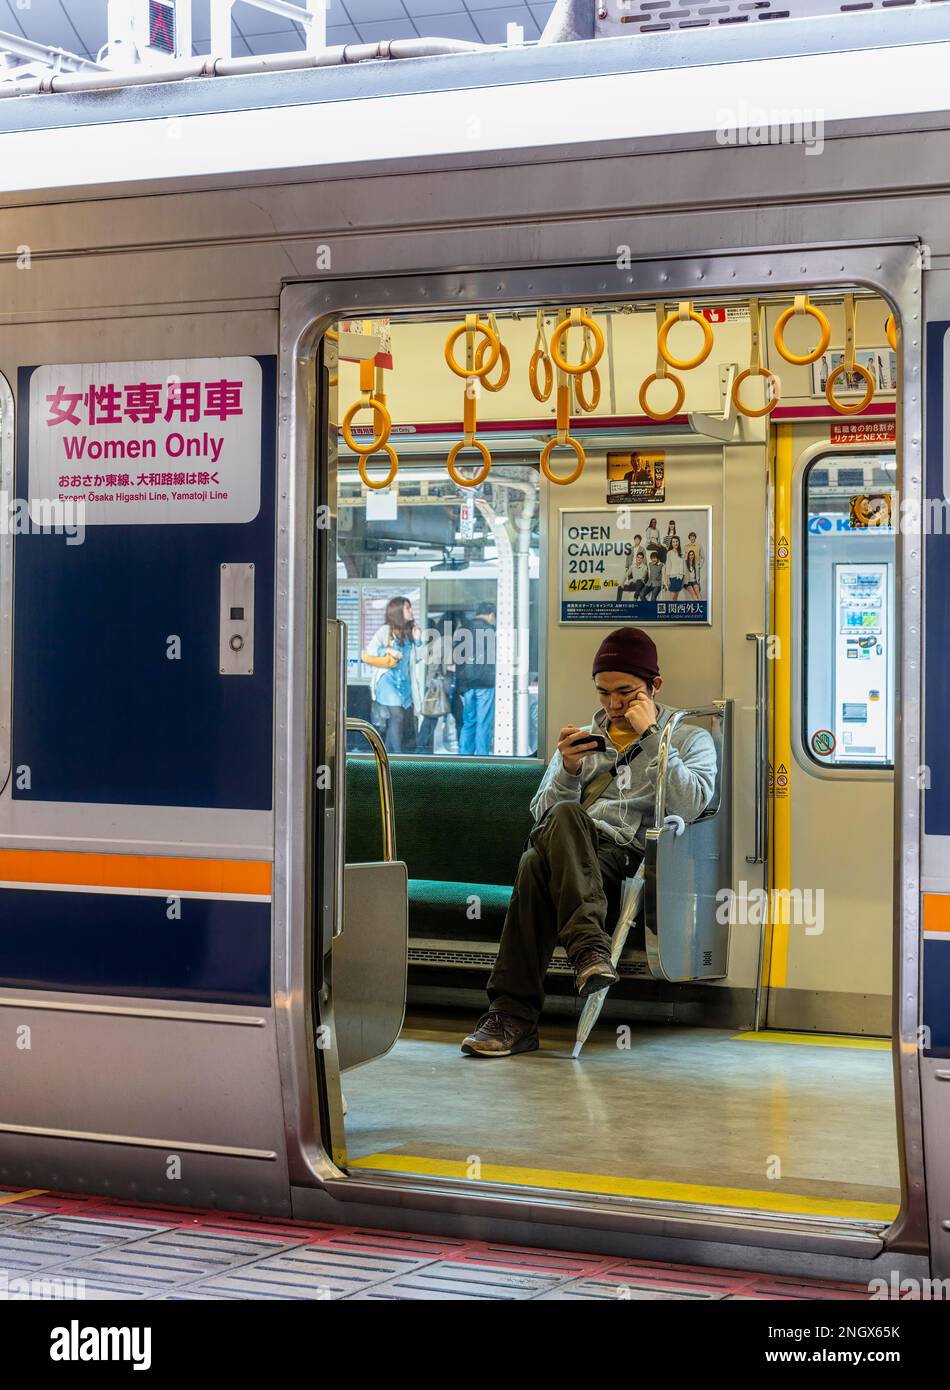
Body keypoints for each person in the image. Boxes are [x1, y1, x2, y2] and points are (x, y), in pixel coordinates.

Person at [461, 627, 717, 1056]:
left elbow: (689, 806)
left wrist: (654, 737)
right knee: (557, 823)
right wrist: (566, 769)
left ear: (654, 686)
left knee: (532, 867)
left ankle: (512, 1018)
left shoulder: (690, 737)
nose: (614, 705)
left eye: (626, 692)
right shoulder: (583, 737)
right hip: (572, 853)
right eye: (603, 693)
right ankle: (590, 952)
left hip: (626, 860)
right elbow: (541, 817)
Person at [361, 596, 423, 753]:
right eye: (407, 608)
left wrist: (418, 640)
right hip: (387, 681)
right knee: (397, 717)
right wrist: (389, 650)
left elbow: (420, 658)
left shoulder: (410, 632)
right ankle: (398, 758)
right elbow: (370, 651)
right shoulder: (385, 631)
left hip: (404, 684)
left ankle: (385, 754)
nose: (411, 611)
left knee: (395, 721)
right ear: (398, 611)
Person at [456, 601, 497, 756]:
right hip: (485, 684)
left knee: (469, 723)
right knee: (483, 724)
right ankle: (482, 759)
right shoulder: (490, 631)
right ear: (491, 615)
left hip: (467, 685)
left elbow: (458, 659)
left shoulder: (463, 629)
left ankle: (464, 758)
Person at [663, 534, 686, 601]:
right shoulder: (669, 553)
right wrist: (668, 579)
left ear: (679, 542)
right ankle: (670, 611)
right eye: (673, 542)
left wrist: (683, 579)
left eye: (677, 541)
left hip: (680, 578)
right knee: (672, 598)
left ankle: (674, 611)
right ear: (671, 543)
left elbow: (684, 566)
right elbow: (668, 566)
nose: (675, 543)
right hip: (672, 577)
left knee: (676, 597)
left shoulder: (681, 553)